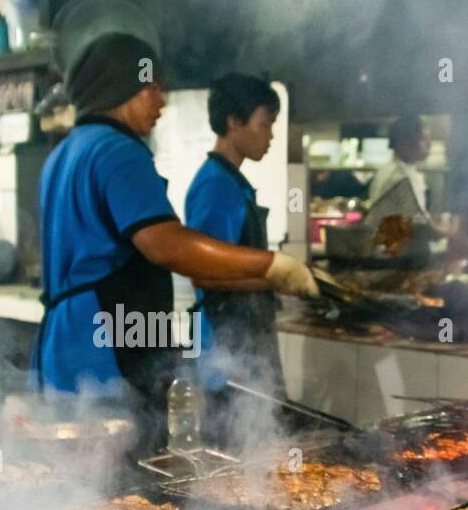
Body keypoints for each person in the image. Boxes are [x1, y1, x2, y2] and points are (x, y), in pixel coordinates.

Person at [32, 33, 318, 451]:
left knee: (79, 490)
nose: (162, 103)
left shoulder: (66, 151)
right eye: (155, 89)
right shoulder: (118, 151)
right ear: (123, 87)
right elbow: (165, 244)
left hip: (65, 346)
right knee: (129, 489)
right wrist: (273, 266)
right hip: (108, 349)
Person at [184, 73, 286, 443]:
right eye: (265, 124)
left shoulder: (233, 182)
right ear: (233, 122)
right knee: (233, 458)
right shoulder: (215, 186)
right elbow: (204, 273)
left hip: (244, 344)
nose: (270, 136)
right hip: (225, 352)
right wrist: (276, 276)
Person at [368, 114, 433, 225]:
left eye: (429, 139)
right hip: (392, 239)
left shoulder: (406, 169)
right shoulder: (398, 176)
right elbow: (417, 220)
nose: (429, 145)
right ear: (403, 142)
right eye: (422, 139)